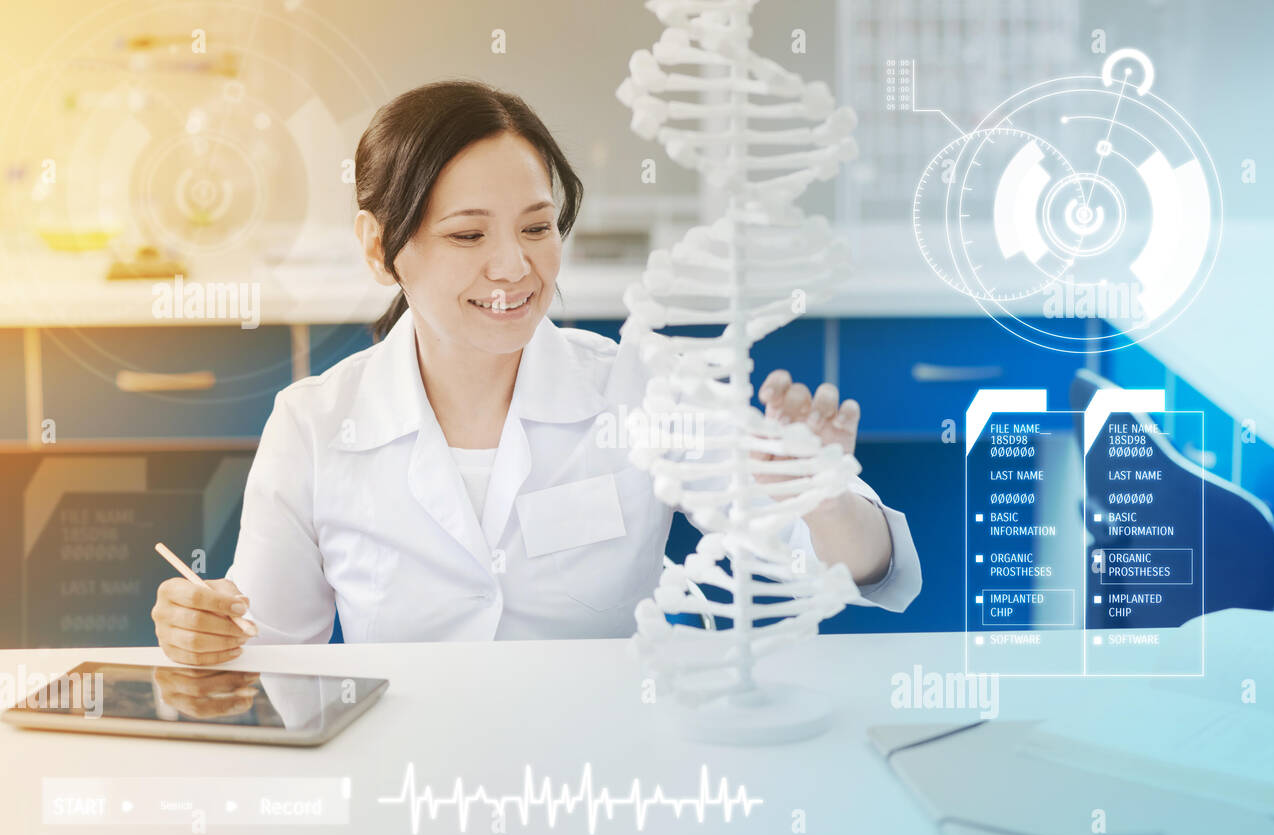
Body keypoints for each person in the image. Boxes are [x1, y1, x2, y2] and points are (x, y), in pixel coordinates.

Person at [151, 80, 921, 665]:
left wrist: (819, 498)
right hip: (411, 788)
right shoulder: (313, 425)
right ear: (380, 245)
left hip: (602, 785)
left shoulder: (639, 386)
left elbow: (854, 570)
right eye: (467, 234)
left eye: (536, 226)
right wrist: (205, 633)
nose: (513, 266)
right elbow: (269, 661)